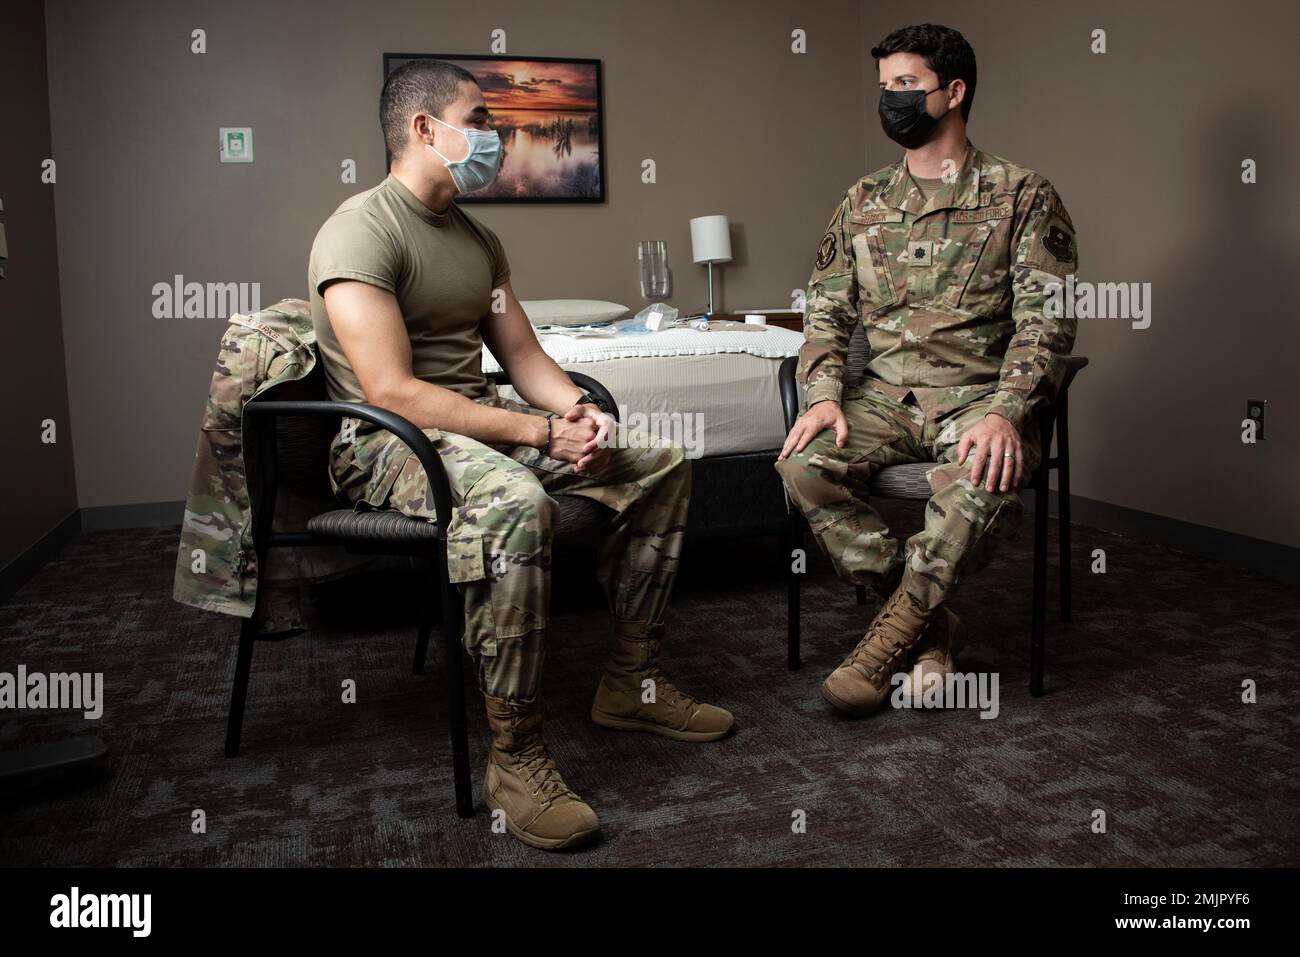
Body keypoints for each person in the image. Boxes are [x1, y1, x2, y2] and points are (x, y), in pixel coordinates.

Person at [308, 59, 733, 850]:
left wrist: (573, 412)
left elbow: (526, 357)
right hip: (387, 443)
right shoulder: (360, 229)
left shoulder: (479, 238)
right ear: (426, 130)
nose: (498, 139)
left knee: (662, 463)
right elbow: (392, 391)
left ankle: (631, 684)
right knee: (516, 504)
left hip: (477, 421)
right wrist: (538, 435)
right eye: (482, 119)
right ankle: (517, 752)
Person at [776, 23, 1078, 717]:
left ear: (954, 92)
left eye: (906, 86)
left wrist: (1008, 409)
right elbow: (825, 314)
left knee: (982, 477)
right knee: (800, 465)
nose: (891, 101)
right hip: (886, 396)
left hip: (982, 397)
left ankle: (889, 639)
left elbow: (1048, 320)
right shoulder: (862, 201)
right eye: (884, 89)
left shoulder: (1023, 194)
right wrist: (822, 394)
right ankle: (931, 625)